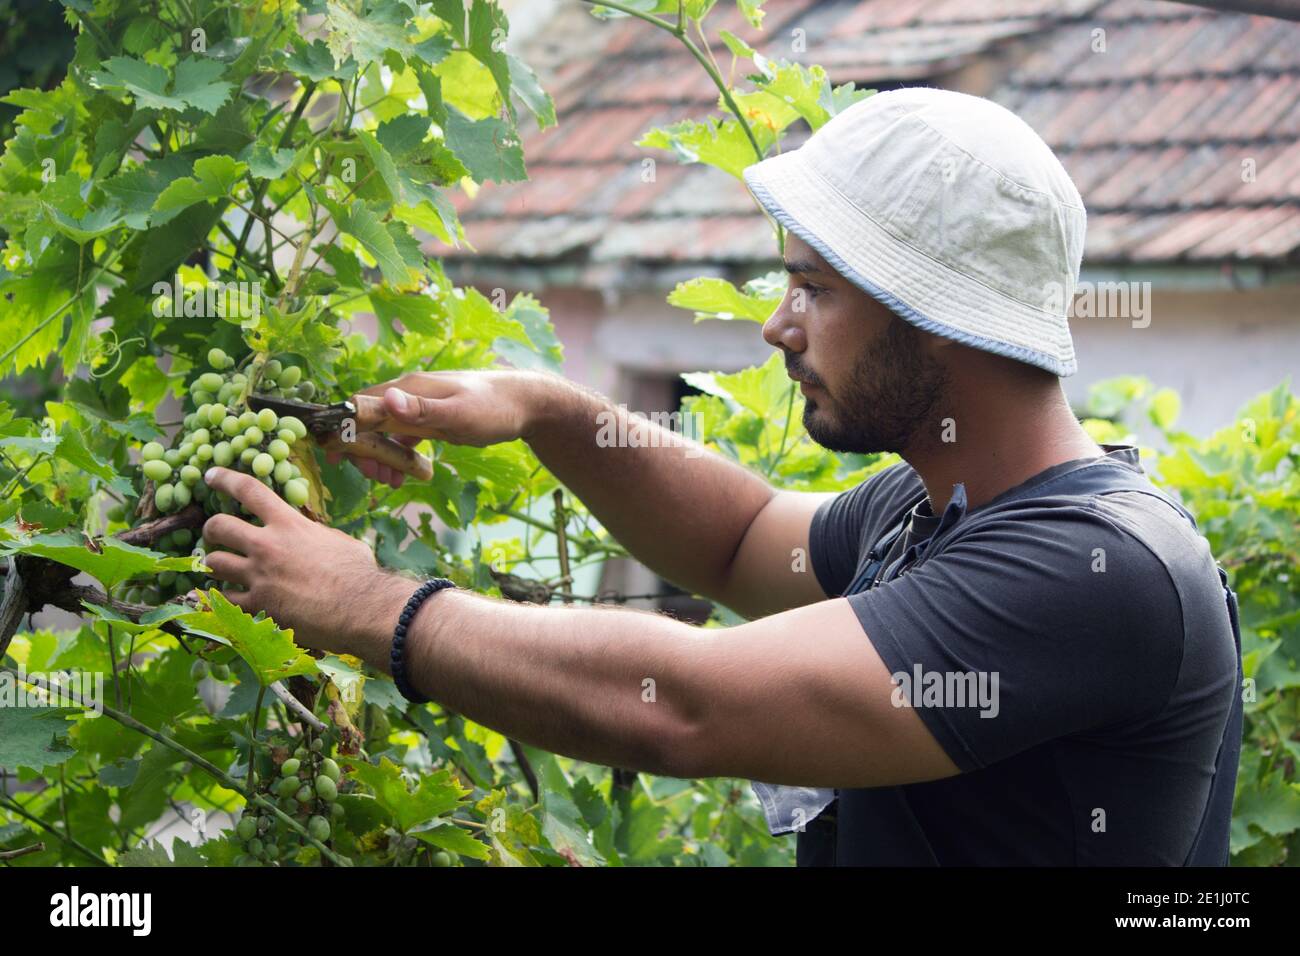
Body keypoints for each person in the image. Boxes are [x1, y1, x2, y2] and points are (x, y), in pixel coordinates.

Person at [200, 88, 1242, 866]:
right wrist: (542, 409)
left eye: (811, 288)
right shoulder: (935, 504)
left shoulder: (1095, 573)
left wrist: (368, 603)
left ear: (937, 314)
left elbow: (682, 705)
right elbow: (740, 538)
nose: (775, 324)